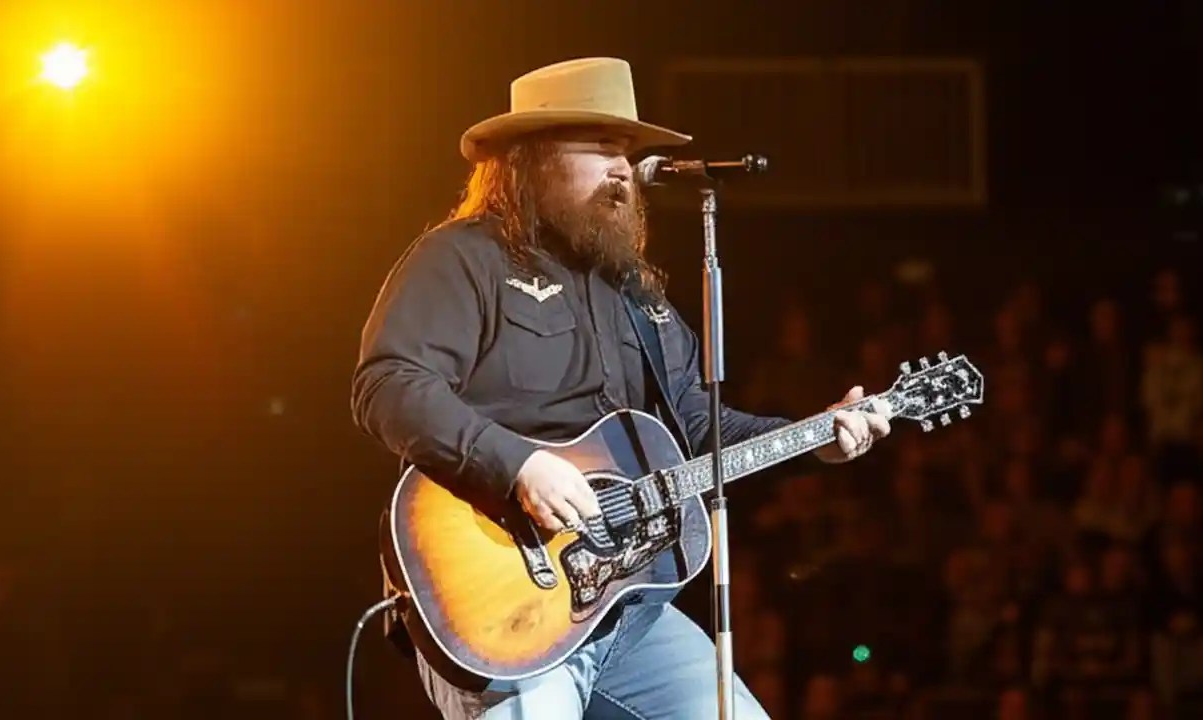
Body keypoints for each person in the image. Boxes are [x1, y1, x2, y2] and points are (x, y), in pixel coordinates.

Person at [351, 57, 892, 720]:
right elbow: (388, 383)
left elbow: (699, 427)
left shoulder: (639, 296)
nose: (622, 167)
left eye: (629, 151)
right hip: (504, 606)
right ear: (532, 158)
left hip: (626, 609)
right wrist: (519, 464)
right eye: (601, 145)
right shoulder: (464, 258)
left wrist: (816, 438)